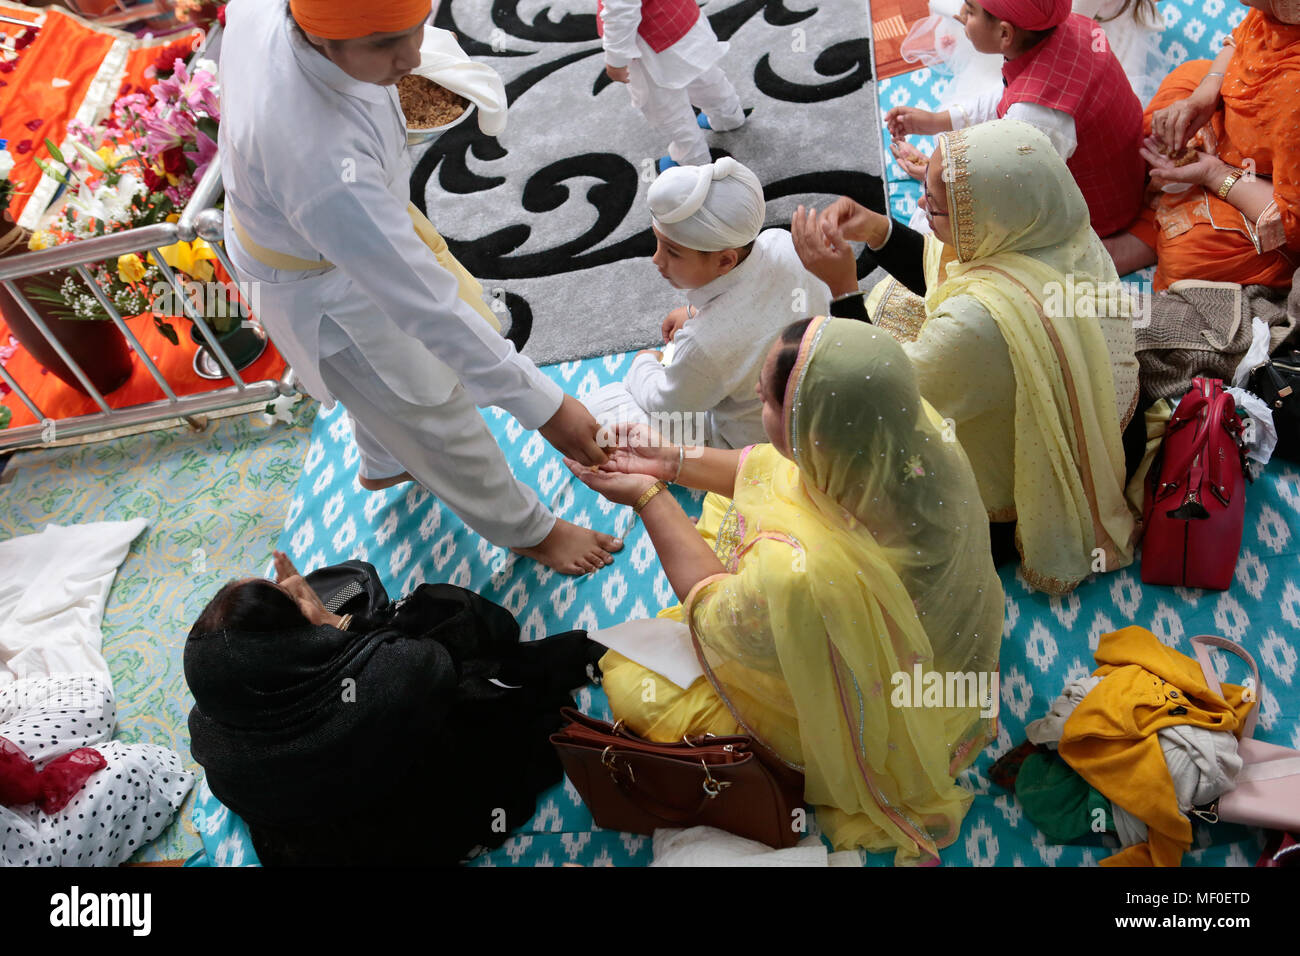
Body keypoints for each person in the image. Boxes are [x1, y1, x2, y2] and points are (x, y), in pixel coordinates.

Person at [566, 317, 1004, 865]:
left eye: (769, 406)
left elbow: (711, 612)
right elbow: (774, 471)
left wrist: (651, 496)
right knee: (731, 510)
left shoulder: (798, 574)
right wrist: (673, 460)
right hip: (939, 650)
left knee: (632, 683)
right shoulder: (915, 431)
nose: (757, 403)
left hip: (871, 683)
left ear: (814, 435)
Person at [218, 0, 622, 576]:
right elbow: (425, 304)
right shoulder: (319, 160)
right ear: (320, 36)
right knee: (430, 402)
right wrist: (545, 406)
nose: (410, 58)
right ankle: (529, 531)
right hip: (327, 283)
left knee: (382, 391)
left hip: (305, 230)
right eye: (385, 44)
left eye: (416, 30)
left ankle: (384, 461)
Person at [794, 120, 1140, 594]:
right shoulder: (1055, 227)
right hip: (1107, 419)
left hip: (1023, 486)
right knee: (899, 303)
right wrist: (879, 230)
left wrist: (842, 288)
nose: (920, 205)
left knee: (855, 443)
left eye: (935, 208)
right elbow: (943, 262)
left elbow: (882, 395)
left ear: (988, 220)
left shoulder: (979, 320)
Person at [185, 551, 604, 866]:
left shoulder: (210, 737)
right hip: (422, 817)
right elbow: (435, 656)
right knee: (455, 629)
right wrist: (333, 624)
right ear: (295, 639)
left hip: (333, 853)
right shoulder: (388, 680)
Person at [583, 158, 830, 449]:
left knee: (598, 407)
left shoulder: (705, 342)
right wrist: (692, 313)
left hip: (756, 446)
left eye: (672, 252)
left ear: (725, 260)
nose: (657, 259)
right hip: (825, 403)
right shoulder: (781, 240)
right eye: (658, 243)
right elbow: (761, 300)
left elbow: (666, 405)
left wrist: (645, 362)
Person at [885, 0, 1145, 241]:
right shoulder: (1071, 25)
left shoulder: (1037, 117)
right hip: (1125, 174)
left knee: (929, 227)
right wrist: (938, 121)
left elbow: (1009, 194)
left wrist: (938, 176)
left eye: (970, 9)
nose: (960, 14)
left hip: (1100, 217)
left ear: (1005, 34)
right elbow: (1012, 90)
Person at [1105, 0, 1300, 287]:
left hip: (1264, 187)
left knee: (1191, 257)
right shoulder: (1282, 14)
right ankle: (1156, 209)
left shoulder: (1294, 95)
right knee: (1186, 80)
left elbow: (1289, 220)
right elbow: (1237, 42)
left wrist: (1214, 174)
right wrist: (1204, 97)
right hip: (1237, 138)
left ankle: (1151, 231)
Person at [599, 0, 746, 170]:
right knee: (703, 74)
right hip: (684, 20)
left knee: (667, 108)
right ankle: (728, 116)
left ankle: (692, 159)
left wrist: (616, 59)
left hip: (652, 46)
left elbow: (620, 13)